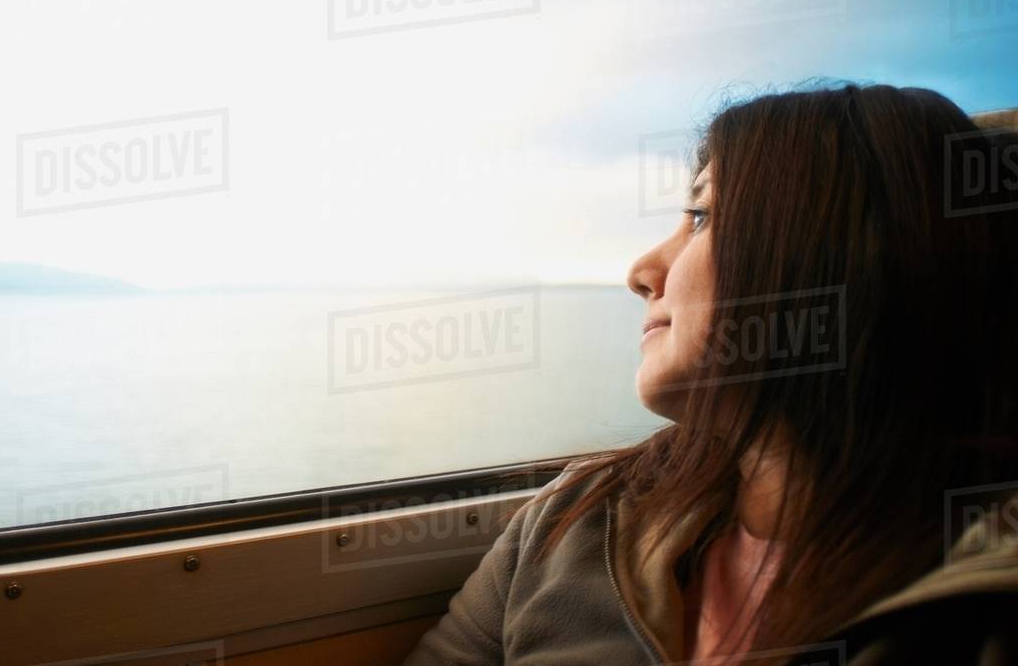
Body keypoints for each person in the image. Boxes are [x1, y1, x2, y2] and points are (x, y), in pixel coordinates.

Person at [403, 84, 1018, 665]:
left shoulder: (986, 608)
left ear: (841, 254)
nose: (642, 270)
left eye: (700, 216)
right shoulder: (577, 518)